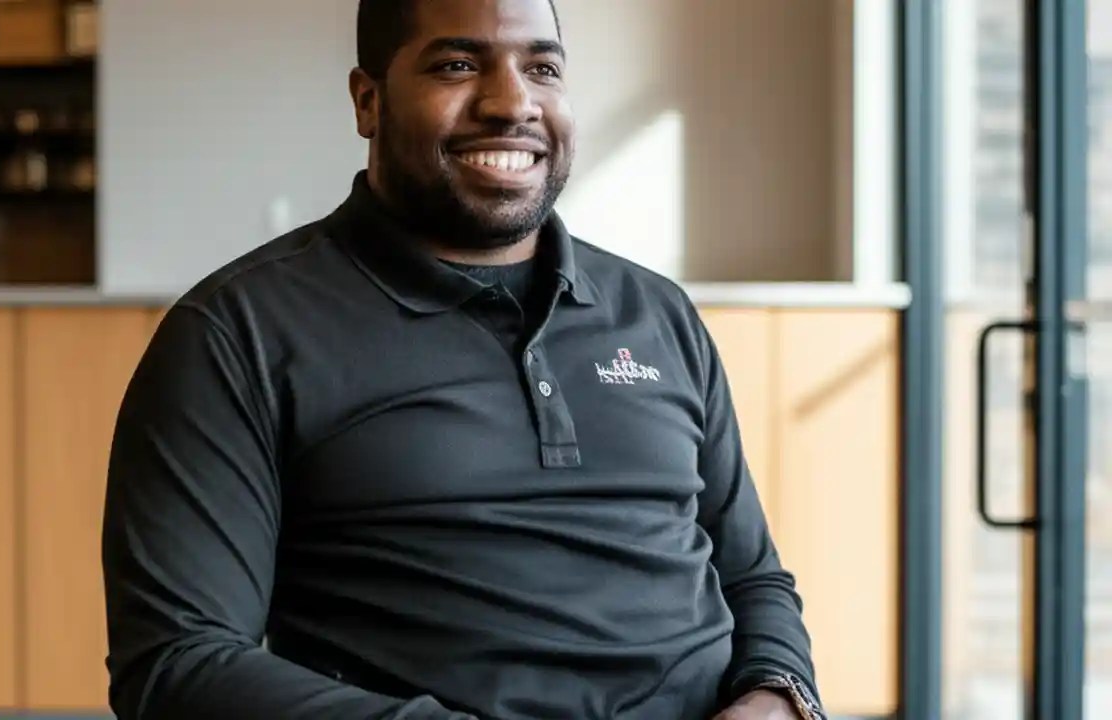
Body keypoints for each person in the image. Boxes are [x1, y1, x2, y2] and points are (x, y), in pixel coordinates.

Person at [101, 1, 825, 718]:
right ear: (368, 101)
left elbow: (752, 576)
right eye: (456, 65)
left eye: (542, 69)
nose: (512, 102)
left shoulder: (657, 313)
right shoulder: (238, 333)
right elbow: (176, 663)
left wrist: (779, 695)